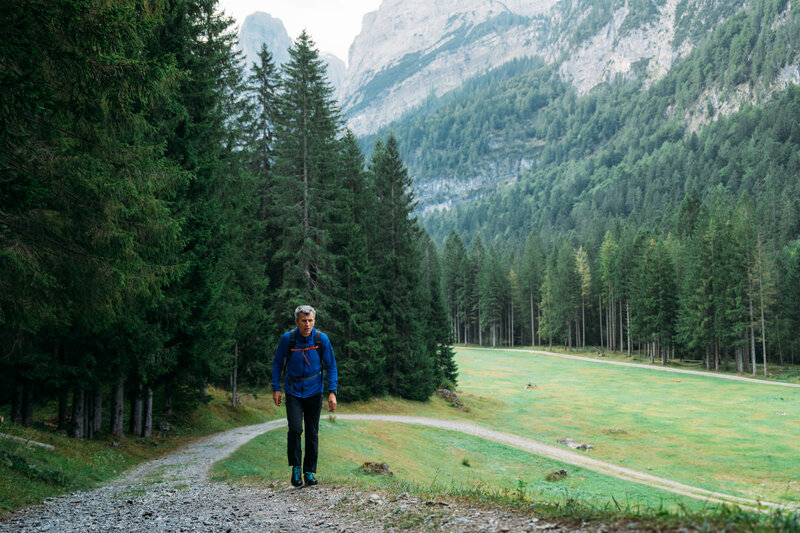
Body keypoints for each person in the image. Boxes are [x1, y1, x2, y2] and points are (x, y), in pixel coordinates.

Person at [272, 305, 338, 487]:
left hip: (315, 391)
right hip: (293, 390)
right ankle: (295, 468)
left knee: (312, 432)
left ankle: (309, 471)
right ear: (297, 322)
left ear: (314, 321)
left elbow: (331, 365)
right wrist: (275, 388)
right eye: (303, 321)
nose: (307, 324)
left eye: (310, 321)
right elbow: (277, 363)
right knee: (295, 429)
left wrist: (332, 392)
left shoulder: (321, 339)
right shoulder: (289, 339)